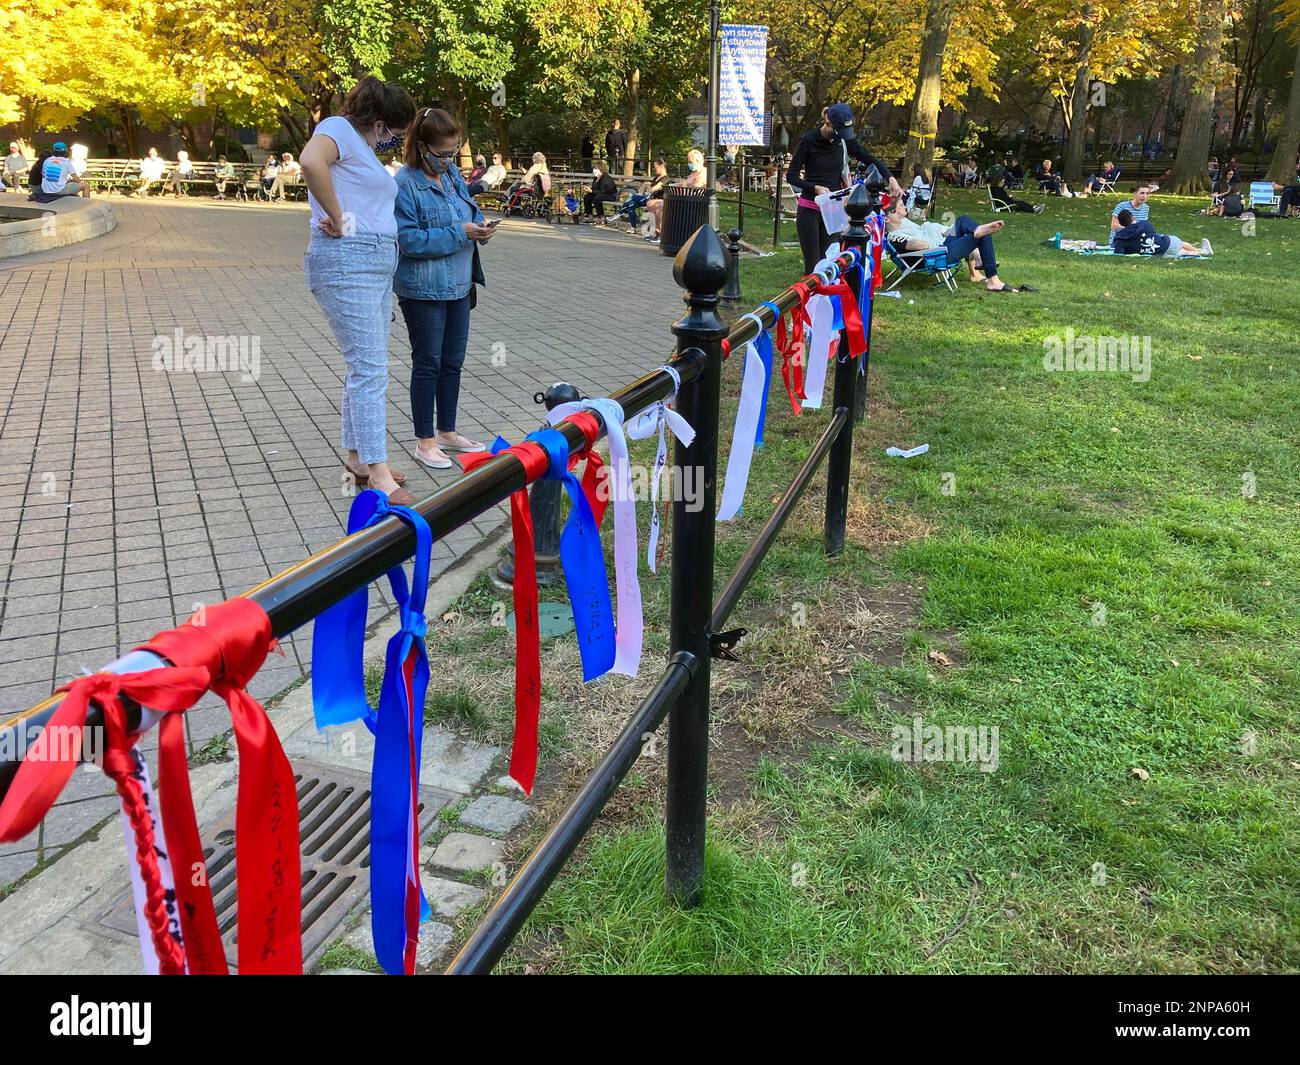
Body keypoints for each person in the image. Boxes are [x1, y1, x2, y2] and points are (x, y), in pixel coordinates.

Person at [299, 74, 417, 504]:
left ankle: (358, 459)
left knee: (363, 366)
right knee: (370, 370)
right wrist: (337, 214)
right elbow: (310, 161)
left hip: (373, 263)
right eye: (397, 129)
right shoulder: (337, 128)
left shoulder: (361, 147)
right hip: (351, 260)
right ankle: (379, 471)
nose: (397, 138)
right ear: (381, 119)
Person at [394, 106, 492, 472]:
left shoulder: (452, 177)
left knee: (452, 363)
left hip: (459, 285)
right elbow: (408, 241)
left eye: (454, 152)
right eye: (443, 153)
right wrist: (461, 233)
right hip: (423, 290)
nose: (450, 160)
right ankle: (424, 441)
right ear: (421, 147)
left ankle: (447, 431)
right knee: (428, 364)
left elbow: (467, 214)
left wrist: (480, 228)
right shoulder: (404, 185)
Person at [786, 103, 902, 272]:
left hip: (831, 211)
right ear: (828, 123)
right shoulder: (808, 140)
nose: (840, 136)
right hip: (809, 209)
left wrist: (890, 178)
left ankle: (826, 297)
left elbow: (868, 158)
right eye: (837, 131)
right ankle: (810, 297)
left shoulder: (844, 140)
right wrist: (814, 188)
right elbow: (791, 176)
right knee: (812, 266)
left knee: (829, 263)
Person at [883, 196, 1030, 292]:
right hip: (936, 256)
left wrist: (931, 230)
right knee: (982, 235)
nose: (902, 210)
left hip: (942, 245)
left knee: (962, 220)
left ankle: (978, 233)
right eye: (897, 210)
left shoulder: (904, 224)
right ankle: (993, 279)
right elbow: (922, 246)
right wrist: (926, 232)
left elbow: (919, 227)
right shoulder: (895, 236)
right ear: (887, 220)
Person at [1112, 208, 1211, 256]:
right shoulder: (1145, 224)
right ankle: (1201, 250)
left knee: (1180, 251)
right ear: (1133, 217)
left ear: (1122, 224)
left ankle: (1200, 251)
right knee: (1180, 244)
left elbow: (1119, 254)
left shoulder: (1120, 238)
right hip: (1166, 245)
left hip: (1159, 253)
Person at [642, 157, 669, 242]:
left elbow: (652, 189)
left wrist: (649, 188)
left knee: (652, 205)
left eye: (656, 167)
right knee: (632, 200)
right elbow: (649, 189)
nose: (654, 169)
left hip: (660, 200)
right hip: (651, 199)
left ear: (661, 166)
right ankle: (653, 233)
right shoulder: (656, 177)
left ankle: (658, 233)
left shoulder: (665, 178)